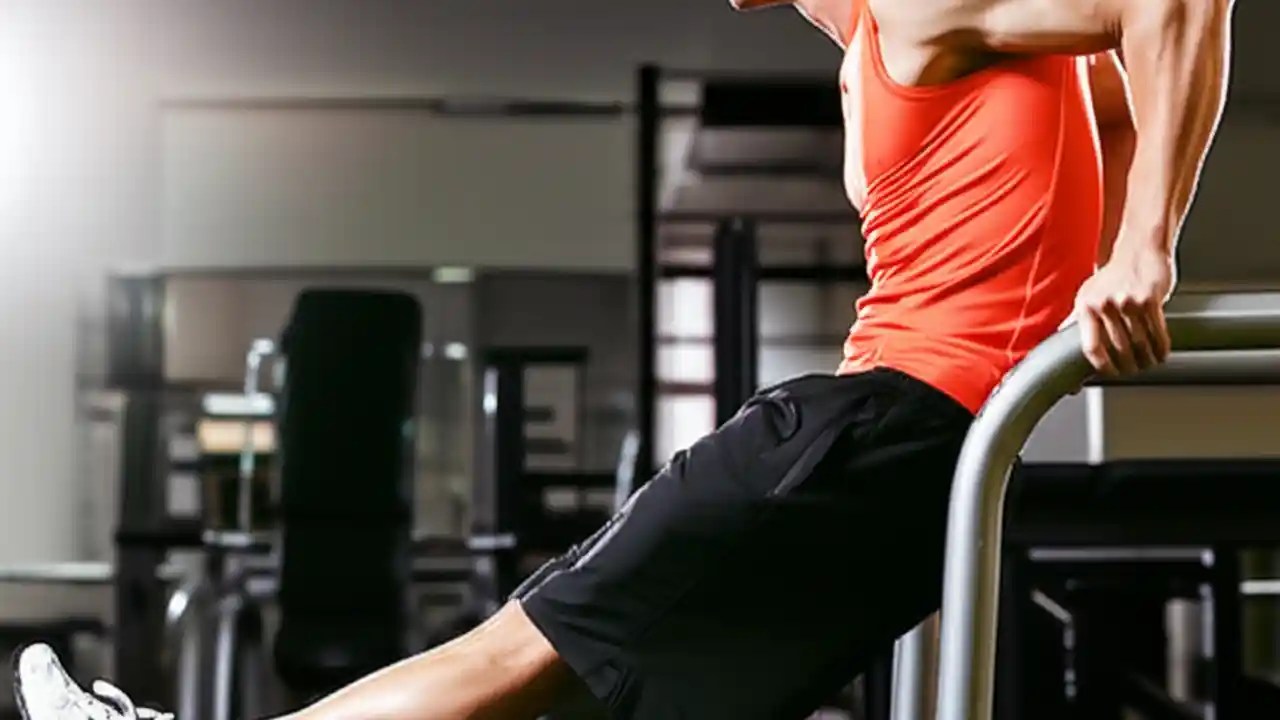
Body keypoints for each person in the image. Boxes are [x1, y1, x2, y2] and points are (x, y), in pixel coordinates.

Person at [16, 0, 1234, 717]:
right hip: (928, 470)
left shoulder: (927, 9)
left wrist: (1141, 251)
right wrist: (1103, 256)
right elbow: (1124, 91)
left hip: (877, 427)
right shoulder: (896, 40)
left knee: (512, 653)